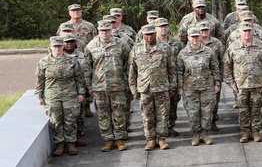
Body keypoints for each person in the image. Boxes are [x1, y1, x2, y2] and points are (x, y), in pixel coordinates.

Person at [84, 20, 131, 152]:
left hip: (118, 85)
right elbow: (87, 68)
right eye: (102, 31)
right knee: (103, 114)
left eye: (107, 30)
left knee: (119, 113)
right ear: (98, 31)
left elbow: (129, 65)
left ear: (111, 30)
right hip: (99, 87)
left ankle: (119, 139)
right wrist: (89, 86)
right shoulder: (91, 46)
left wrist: (127, 83)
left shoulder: (121, 44)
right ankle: (108, 140)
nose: (104, 33)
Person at [129, 25, 177, 150]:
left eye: (151, 34)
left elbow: (171, 68)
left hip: (162, 87)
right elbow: (132, 71)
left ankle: (161, 139)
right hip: (145, 88)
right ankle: (150, 139)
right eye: (147, 35)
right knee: (147, 116)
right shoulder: (136, 49)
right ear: (143, 35)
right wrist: (134, 90)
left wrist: (172, 86)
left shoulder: (165, 47)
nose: (149, 37)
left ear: (156, 34)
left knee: (162, 115)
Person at [36, 36, 86, 156]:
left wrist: (81, 93)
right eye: (55, 46)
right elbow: (40, 80)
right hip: (52, 95)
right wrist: (39, 96)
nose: (57, 48)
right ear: (51, 47)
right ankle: (59, 144)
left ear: (63, 46)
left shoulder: (72, 60)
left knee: (70, 119)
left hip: (70, 94)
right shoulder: (43, 62)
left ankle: (70, 143)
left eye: (59, 46)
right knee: (56, 120)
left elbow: (79, 78)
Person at [224, 22, 262, 142]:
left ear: (252, 32)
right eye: (244, 31)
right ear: (239, 32)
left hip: (257, 83)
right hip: (241, 85)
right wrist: (231, 83)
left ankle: (256, 131)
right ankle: (245, 132)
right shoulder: (233, 47)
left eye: (249, 30)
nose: (247, 33)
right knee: (243, 110)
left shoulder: (260, 45)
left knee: (256, 109)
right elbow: (227, 66)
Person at [176, 28, 221, 145]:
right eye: (192, 37)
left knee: (207, 111)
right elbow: (179, 71)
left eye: (197, 36)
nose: (195, 39)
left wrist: (217, 83)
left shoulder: (208, 51)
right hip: (190, 88)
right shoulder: (183, 53)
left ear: (200, 37)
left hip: (207, 87)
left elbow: (215, 68)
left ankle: (205, 134)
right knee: (193, 112)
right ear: (188, 38)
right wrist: (180, 88)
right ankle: (196, 134)